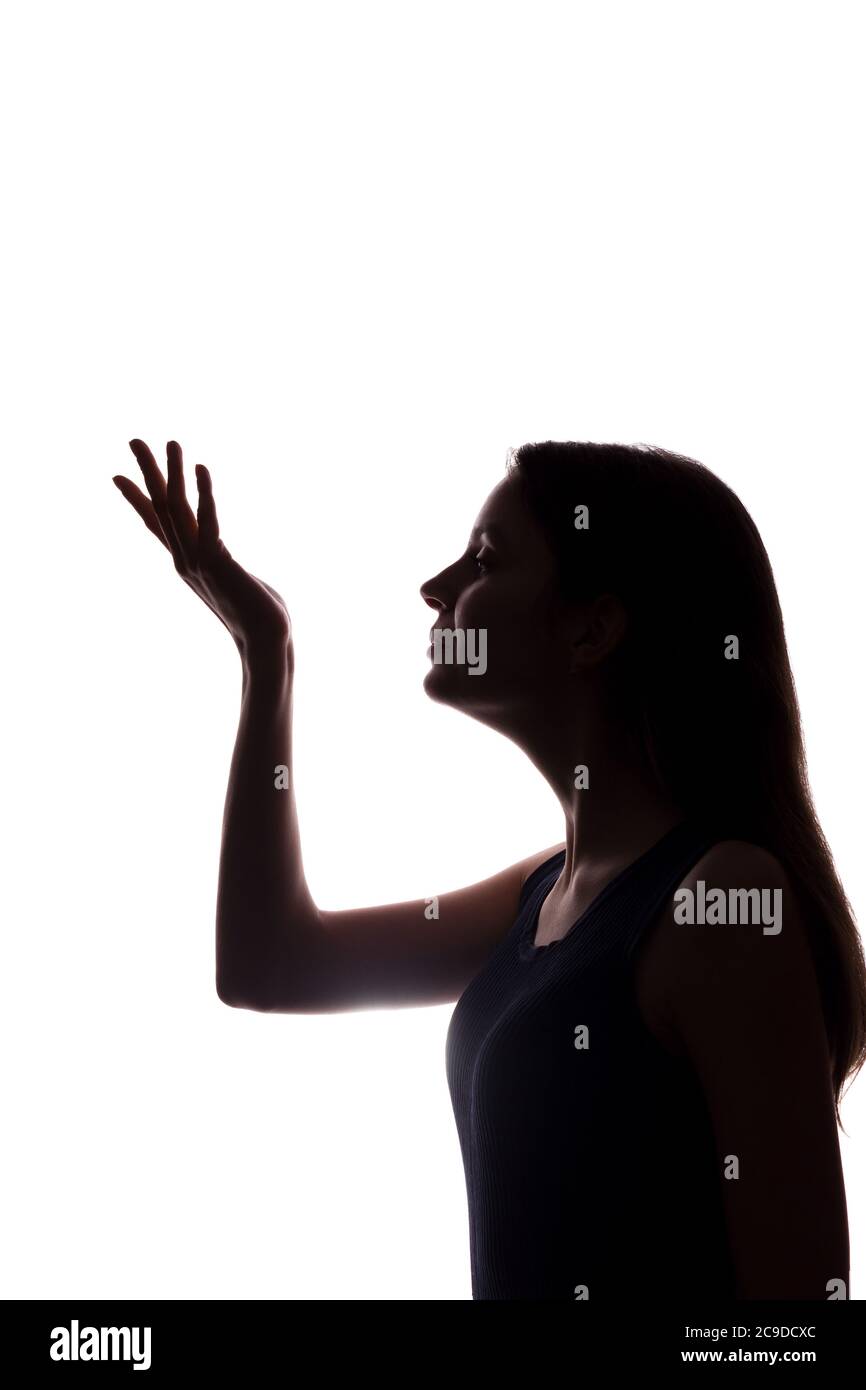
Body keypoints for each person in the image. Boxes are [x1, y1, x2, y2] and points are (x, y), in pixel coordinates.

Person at [113, 438, 865, 1301]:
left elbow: (798, 1328)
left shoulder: (723, 900)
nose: (437, 587)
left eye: (486, 559)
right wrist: (265, 652)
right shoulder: (544, 892)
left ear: (593, 626)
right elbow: (266, 965)